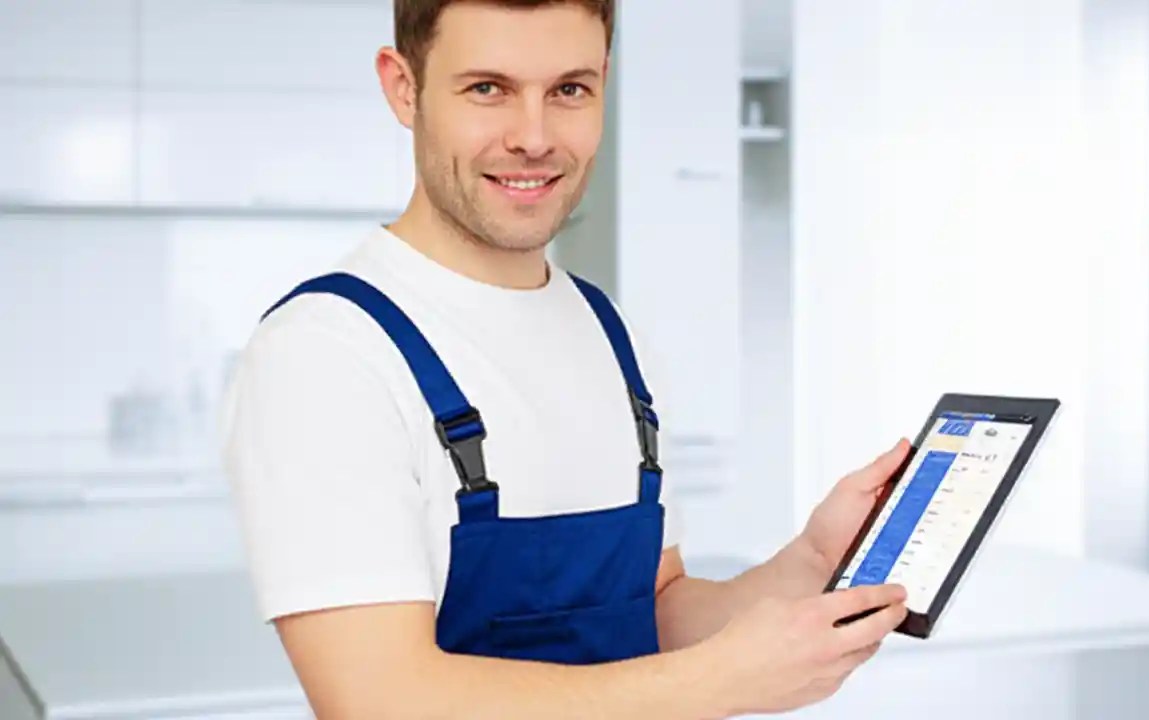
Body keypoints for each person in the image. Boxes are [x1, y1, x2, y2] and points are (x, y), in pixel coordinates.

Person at [220, 1, 911, 717]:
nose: (534, 137)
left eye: (569, 90)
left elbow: (656, 613)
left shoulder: (612, 335)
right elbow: (381, 700)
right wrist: (722, 685)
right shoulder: (326, 354)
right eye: (487, 88)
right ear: (403, 86)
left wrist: (810, 563)